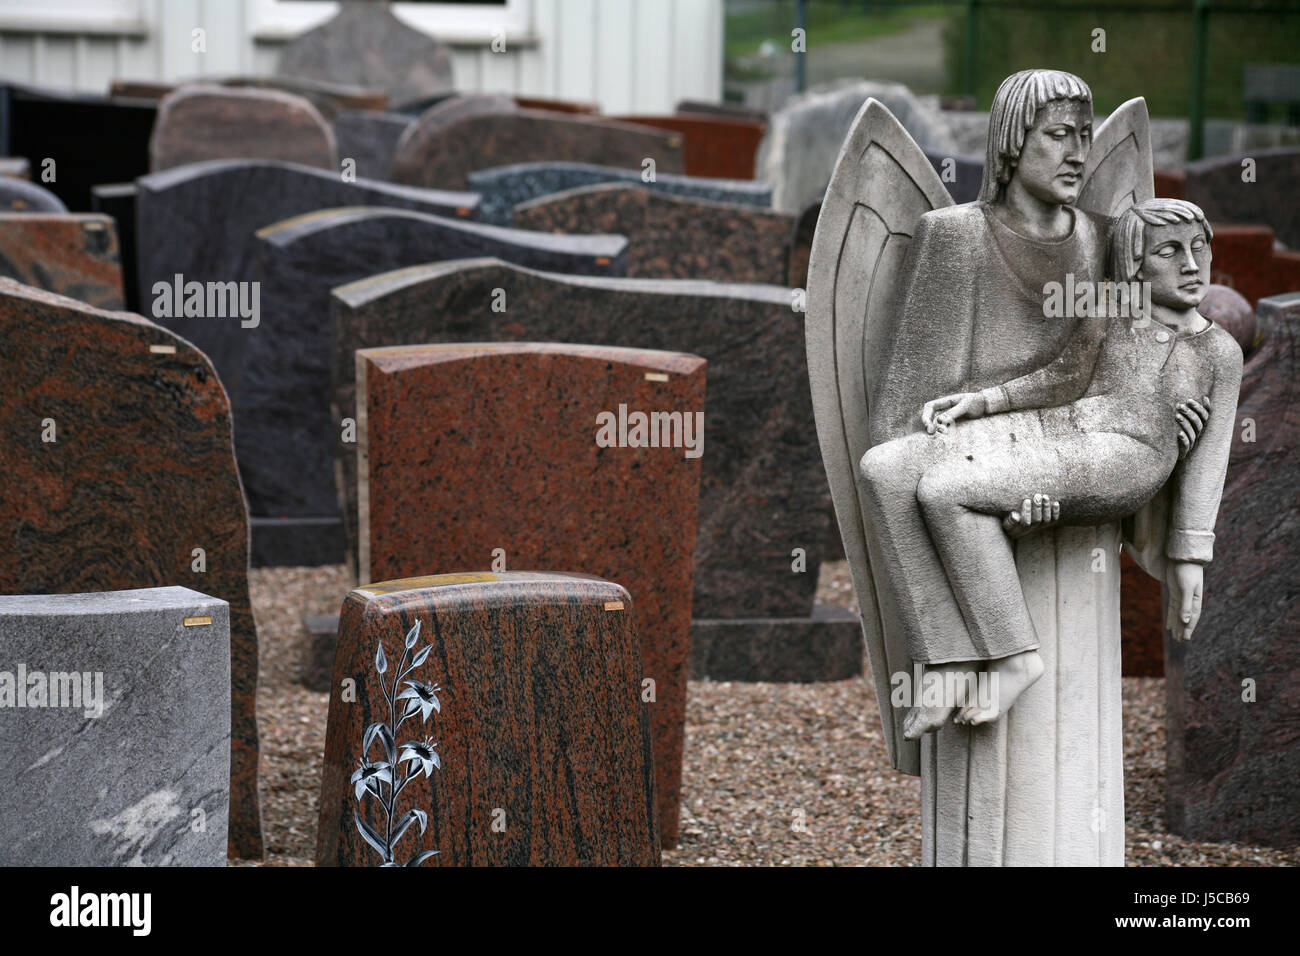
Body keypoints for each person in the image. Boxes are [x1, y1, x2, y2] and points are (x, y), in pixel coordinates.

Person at [861, 199, 1242, 734]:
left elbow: (1211, 454)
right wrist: (982, 402)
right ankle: (946, 657)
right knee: (886, 467)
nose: (1191, 263)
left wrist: (1189, 555)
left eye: (1199, 248)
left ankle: (1014, 653)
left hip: (1121, 459)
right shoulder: (1109, 313)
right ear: (1134, 264)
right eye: (1170, 251)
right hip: (1060, 426)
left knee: (947, 489)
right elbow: (1059, 378)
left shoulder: (1218, 352)